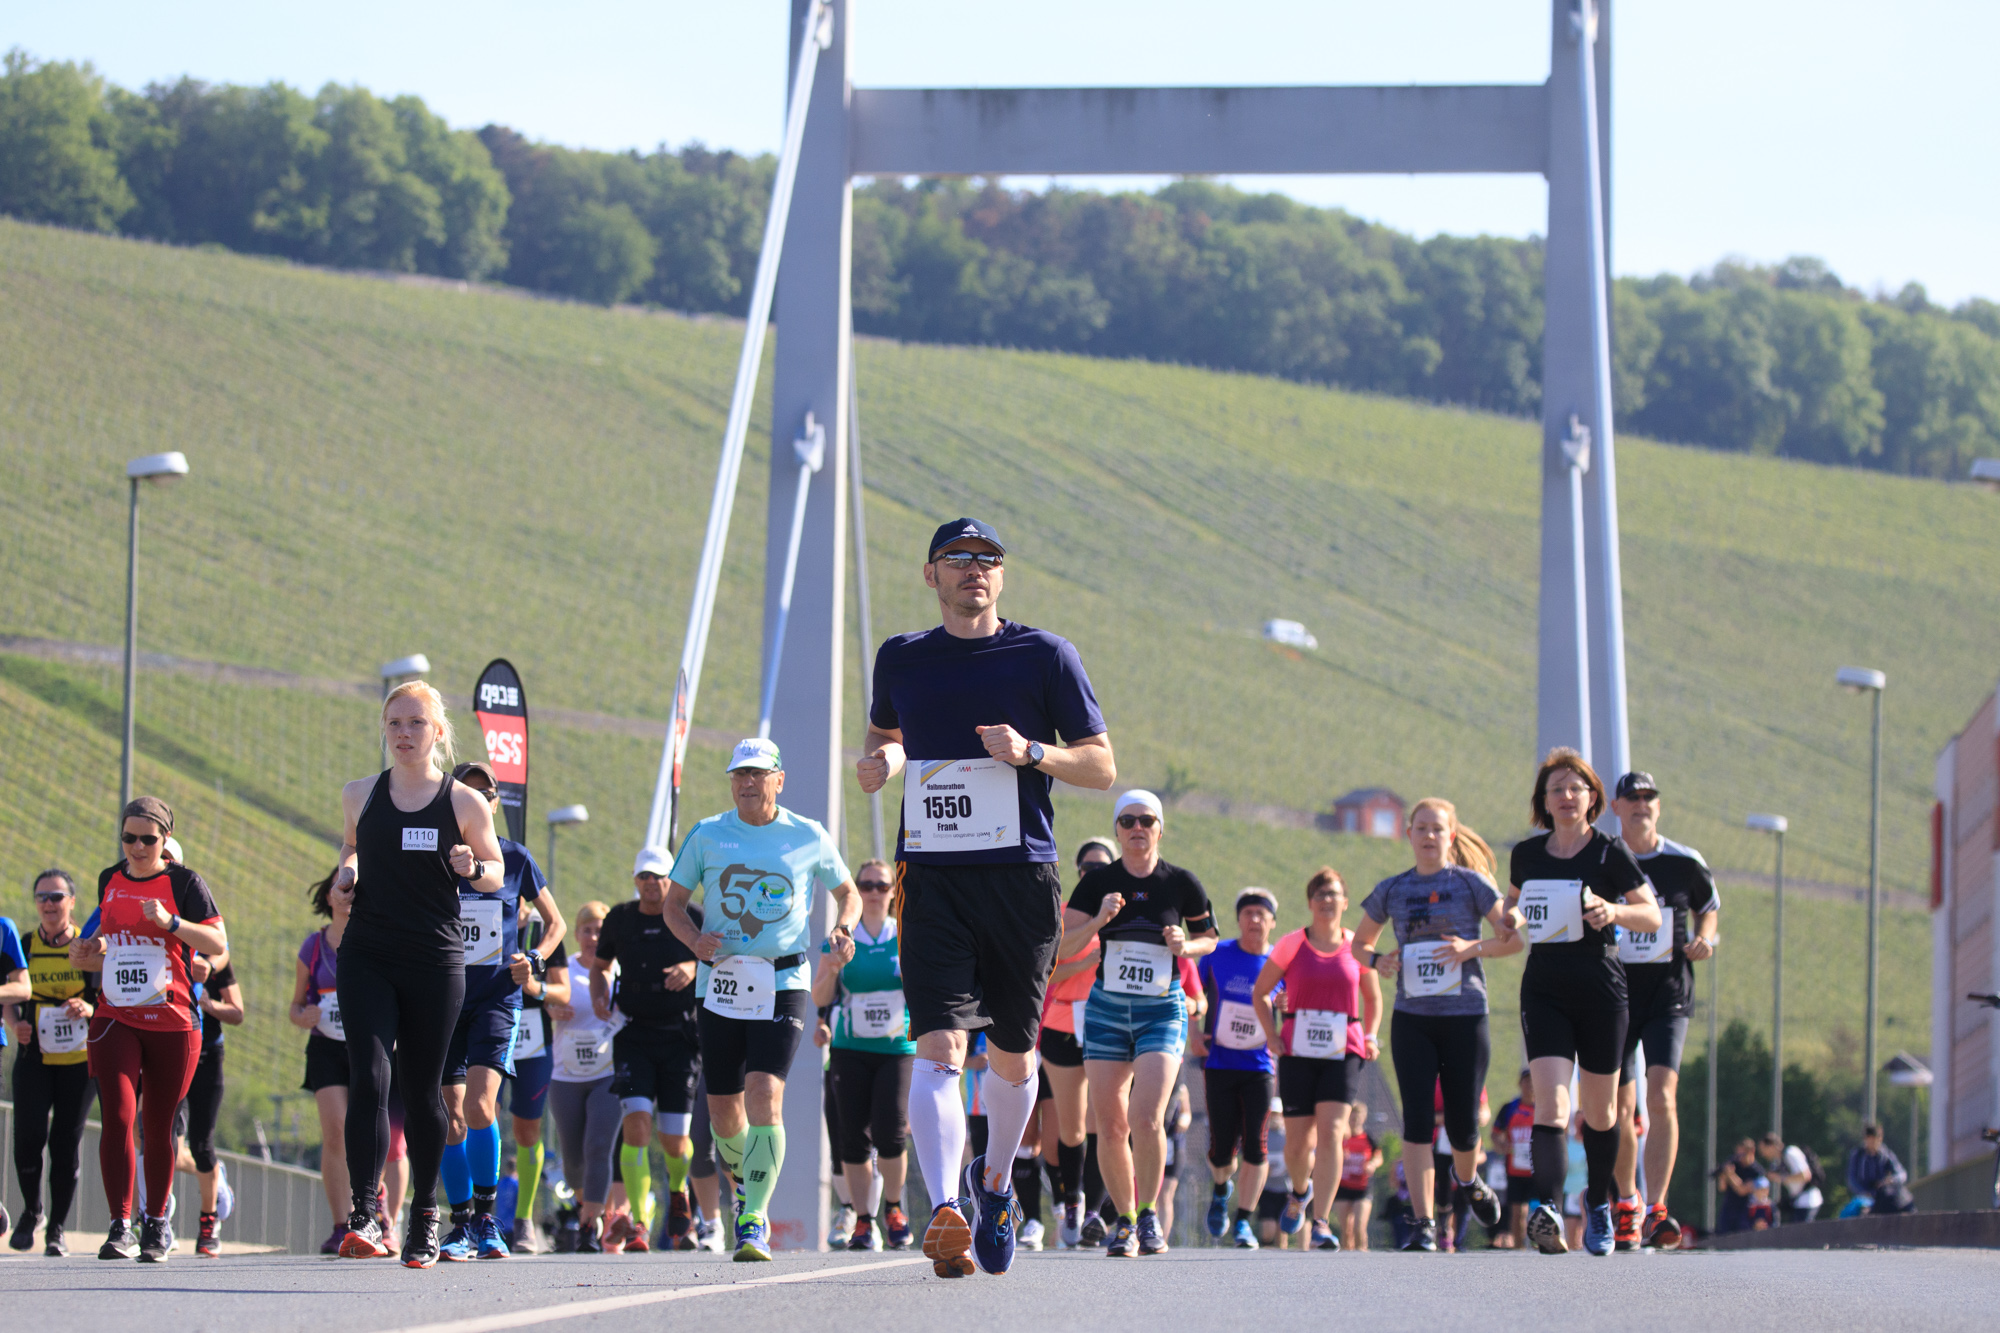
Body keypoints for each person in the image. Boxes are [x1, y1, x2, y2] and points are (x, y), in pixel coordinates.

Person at [856, 516, 1116, 1279]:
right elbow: (884, 737)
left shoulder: (1044, 655)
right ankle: (945, 1208)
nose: (975, 569)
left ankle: (994, 1182)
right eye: (959, 558)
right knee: (938, 1047)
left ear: (1001, 576)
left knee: (1011, 1056)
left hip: (1020, 877)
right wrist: (886, 762)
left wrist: (1032, 750)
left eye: (988, 559)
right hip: (932, 876)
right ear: (929, 574)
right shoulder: (901, 657)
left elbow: (1101, 766)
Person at [664, 737, 861, 1261]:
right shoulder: (708, 835)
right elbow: (673, 904)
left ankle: (753, 1218)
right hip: (722, 983)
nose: (746, 783)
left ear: (778, 779)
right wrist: (693, 941)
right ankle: (745, 1187)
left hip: (784, 982)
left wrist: (843, 927)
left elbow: (850, 892)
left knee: (764, 1095)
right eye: (738, 775)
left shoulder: (808, 836)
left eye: (756, 774)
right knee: (725, 1112)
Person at [332, 681, 507, 1266]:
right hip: (369, 953)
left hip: (434, 959)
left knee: (424, 1091)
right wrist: (347, 873)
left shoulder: (463, 802)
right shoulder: (360, 794)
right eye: (395, 723)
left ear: (437, 732)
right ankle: (363, 1213)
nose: (404, 734)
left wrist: (472, 862)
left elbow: (495, 874)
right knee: (370, 1079)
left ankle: (426, 1218)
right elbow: (352, 848)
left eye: (416, 723)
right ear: (384, 730)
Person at [1503, 748, 1660, 1256]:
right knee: (1550, 1103)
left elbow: (1651, 915)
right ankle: (1546, 1209)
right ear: (1543, 802)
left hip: (1601, 990)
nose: (1566, 796)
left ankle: (1597, 1203)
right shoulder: (1527, 855)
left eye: (1576, 788)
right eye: (1556, 789)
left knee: (1600, 1112)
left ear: (1592, 798)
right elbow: (1513, 904)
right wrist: (1513, 917)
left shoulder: (1610, 852)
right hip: (1545, 989)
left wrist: (1610, 909)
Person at [1352, 797, 1518, 1252]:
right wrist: (1378, 960)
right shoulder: (1393, 889)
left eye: (1437, 829)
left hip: (1465, 1016)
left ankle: (1468, 1180)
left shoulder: (1471, 884)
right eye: (1420, 828)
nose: (1428, 836)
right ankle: (1424, 1222)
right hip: (1413, 1019)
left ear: (1450, 834)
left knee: (1464, 1126)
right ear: (1409, 835)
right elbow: (1358, 944)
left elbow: (1513, 939)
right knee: (1417, 1122)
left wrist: (1472, 948)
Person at [68, 796, 228, 1263]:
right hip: (116, 1014)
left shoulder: (184, 882)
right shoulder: (110, 879)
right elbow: (109, 947)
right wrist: (88, 954)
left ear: (165, 840)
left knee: (157, 1128)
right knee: (117, 1115)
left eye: (147, 839)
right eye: (128, 837)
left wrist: (173, 923)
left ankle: (155, 1220)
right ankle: (120, 1224)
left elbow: (218, 942)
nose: (137, 847)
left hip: (174, 1020)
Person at [1061, 790, 1216, 1257]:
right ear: (1116, 830)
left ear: (1160, 828)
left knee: (1146, 1118)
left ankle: (1149, 1216)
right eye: (1127, 820)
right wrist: (1100, 921)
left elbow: (1209, 937)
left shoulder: (1180, 883)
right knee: (1109, 1126)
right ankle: (1124, 1221)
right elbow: (1063, 947)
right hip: (1108, 1008)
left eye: (1146, 820)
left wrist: (1184, 948)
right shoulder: (1097, 884)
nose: (1137, 828)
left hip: (1161, 1008)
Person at [436, 760, 566, 1263]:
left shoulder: (514, 858)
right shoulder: (437, 858)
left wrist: (533, 958)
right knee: (451, 1118)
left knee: (481, 1106)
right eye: (462, 793)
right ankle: (460, 1222)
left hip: (495, 998)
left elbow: (554, 923)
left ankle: (488, 1220)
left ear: (494, 804)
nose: (475, 800)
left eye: (484, 794)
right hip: (443, 1000)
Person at [1605, 772, 1717, 1251]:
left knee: (1663, 1098)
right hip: (1614, 995)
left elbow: (1708, 907)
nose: (1641, 805)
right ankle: (1626, 1201)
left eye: (1648, 798)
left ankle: (1657, 1208)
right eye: (1632, 798)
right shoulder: (1604, 857)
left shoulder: (1684, 862)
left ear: (1658, 807)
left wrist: (1705, 938)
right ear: (1616, 806)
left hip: (1668, 994)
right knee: (1618, 1109)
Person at [1251, 867, 1381, 1253]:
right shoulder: (1293, 944)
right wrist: (1272, 1035)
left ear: (1345, 902)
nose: (1327, 900)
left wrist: (1371, 1035)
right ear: (1310, 903)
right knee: (1296, 1144)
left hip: (1344, 1049)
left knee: (1332, 1132)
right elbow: (1261, 992)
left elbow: (1373, 997)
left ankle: (1322, 1222)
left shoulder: (1357, 947)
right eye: (1320, 894)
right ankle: (1300, 1191)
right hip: (1297, 1050)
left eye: (1334, 894)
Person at [591, 848, 704, 1254]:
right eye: (644, 877)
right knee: (636, 1123)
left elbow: (720, 958)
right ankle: (639, 1219)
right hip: (634, 1035)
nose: (651, 884)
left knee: (675, 1140)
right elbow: (600, 965)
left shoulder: (693, 914)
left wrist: (693, 967)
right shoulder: (620, 918)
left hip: (680, 1038)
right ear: (635, 880)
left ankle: (678, 1191)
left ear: (670, 879)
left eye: (658, 877)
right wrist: (600, 992)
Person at [813, 857, 916, 1253]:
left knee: (891, 1132)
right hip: (850, 1048)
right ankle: (862, 1219)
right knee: (851, 1137)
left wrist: (914, 977)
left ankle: (892, 1207)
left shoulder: (905, 934)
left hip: (896, 1049)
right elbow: (819, 997)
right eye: (866, 885)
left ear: (893, 893)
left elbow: (929, 992)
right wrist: (835, 968)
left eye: (882, 886)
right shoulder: (840, 937)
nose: (874, 893)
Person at [8, 869, 96, 1256]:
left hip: (78, 1060)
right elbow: (9, 994)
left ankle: (57, 1228)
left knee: (65, 1142)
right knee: (28, 1138)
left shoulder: (87, 947)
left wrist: (88, 1007)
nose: (48, 904)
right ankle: (32, 1210)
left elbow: (106, 998)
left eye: (56, 897)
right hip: (35, 1054)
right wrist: (15, 1025)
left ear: (72, 903)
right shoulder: (25, 944)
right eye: (41, 897)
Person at [1194, 886, 1279, 1250]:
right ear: (1239, 919)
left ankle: (1244, 1220)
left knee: (1257, 1147)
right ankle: (1220, 1189)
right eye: (1248, 913)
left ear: (1272, 922)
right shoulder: (1217, 955)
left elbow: (1292, 1006)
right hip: (1219, 1061)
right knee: (1220, 1148)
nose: (1255, 919)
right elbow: (1191, 994)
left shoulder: (1279, 963)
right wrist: (1195, 1034)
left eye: (1262, 914)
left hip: (1260, 1065)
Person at [1042, 836, 1114, 1247]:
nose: (1094, 874)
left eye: (1102, 869)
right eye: (1087, 869)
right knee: (1071, 1128)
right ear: (1078, 872)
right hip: (1064, 1023)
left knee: (1104, 1122)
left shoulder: (1128, 913)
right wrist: (1087, 957)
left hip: (1109, 1023)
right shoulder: (1062, 914)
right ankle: (1072, 1199)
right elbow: (1045, 972)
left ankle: (1093, 1214)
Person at [294, 869, 365, 1252]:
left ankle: (372, 1212)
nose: (348, 893)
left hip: (366, 1043)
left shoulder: (375, 939)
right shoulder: (314, 946)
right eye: (342, 887)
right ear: (329, 896)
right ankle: (341, 1223)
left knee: (369, 1128)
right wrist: (302, 1014)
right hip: (325, 1046)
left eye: (355, 887)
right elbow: (295, 1004)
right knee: (335, 1129)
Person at [550, 901, 626, 1252]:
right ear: (578, 934)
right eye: (588, 930)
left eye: (600, 930)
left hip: (606, 1074)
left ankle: (590, 1224)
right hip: (566, 1075)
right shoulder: (564, 970)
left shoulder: (619, 971)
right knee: (573, 1158)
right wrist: (554, 1007)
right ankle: (587, 1207)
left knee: (599, 1147)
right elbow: (546, 999)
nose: (594, 937)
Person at [507, 894, 566, 1253]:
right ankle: (476, 1216)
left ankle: (523, 1219)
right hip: (487, 1035)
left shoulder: (543, 933)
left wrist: (535, 988)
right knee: (474, 1116)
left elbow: (564, 992)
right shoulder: (481, 920)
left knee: (526, 1128)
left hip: (532, 1045)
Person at [183, 943, 243, 1256]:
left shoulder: (212, 959)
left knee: (201, 1144)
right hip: (170, 1056)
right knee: (156, 1141)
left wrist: (209, 1006)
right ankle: (152, 1219)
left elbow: (237, 1012)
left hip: (207, 1057)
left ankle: (208, 1222)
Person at [1494, 1070, 1536, 1249]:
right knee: (1517, 1212)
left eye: (1533, 1082)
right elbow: (1496, 1134)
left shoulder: (1544, 1109)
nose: (1530, 1086)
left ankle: (1540, 1245)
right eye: (1526, 1082)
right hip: (1515, 1169)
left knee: (1536, 1212)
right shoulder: (1510, 1108)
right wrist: (1503, 1146)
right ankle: (1519, 1249)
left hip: (1538, 1170)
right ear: (1520, 1084)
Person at [1334, 1102, 1380, 1251]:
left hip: (1362, 1188)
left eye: (1357, 1118)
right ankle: (1346, 1264)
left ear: (1363, 1118)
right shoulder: (1341, 1139)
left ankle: (1362, 1257)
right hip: (1342, 1187)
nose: (1354, 1121)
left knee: (1359, 1228)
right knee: (1346, 1231)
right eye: (1352, 1118)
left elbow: (1378, 1157)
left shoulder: (1369, 1139)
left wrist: (1372, 1164)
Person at [1846, 1125, 1914, 1216]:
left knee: (1906, 1204)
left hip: (1884, 1194)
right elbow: (1852, 1179)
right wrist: (1864, 1192)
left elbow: (1901, 1174)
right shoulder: (1858, 1155)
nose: (1873, 1143)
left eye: (1876, 1139)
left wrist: (1891, 1180)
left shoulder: (1885, 1154)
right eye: (1870, 1139)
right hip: (1866, 1196)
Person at [1759, 1132, 1823, 1225]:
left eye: (1763, 1149)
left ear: (1771, 1146)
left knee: (1802, 1236)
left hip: (1808, 1201)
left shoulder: (1790, 1152)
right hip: (1799, 1203)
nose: (1762, 1154)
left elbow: (1805, 1175)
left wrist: (1780, 1177)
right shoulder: (1779, 1160)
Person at [1715, 1137, 1760, 1233]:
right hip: (1729, 1209)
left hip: (1746, 1211)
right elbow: (1722, 1188)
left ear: (1751, 1151)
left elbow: (1742, 1190)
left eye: (1743, 1154)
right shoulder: (1735, 1165)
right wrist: (1723, 1176)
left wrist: (1731, 1175)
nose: (1740, 1158)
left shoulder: (1757, 1171)